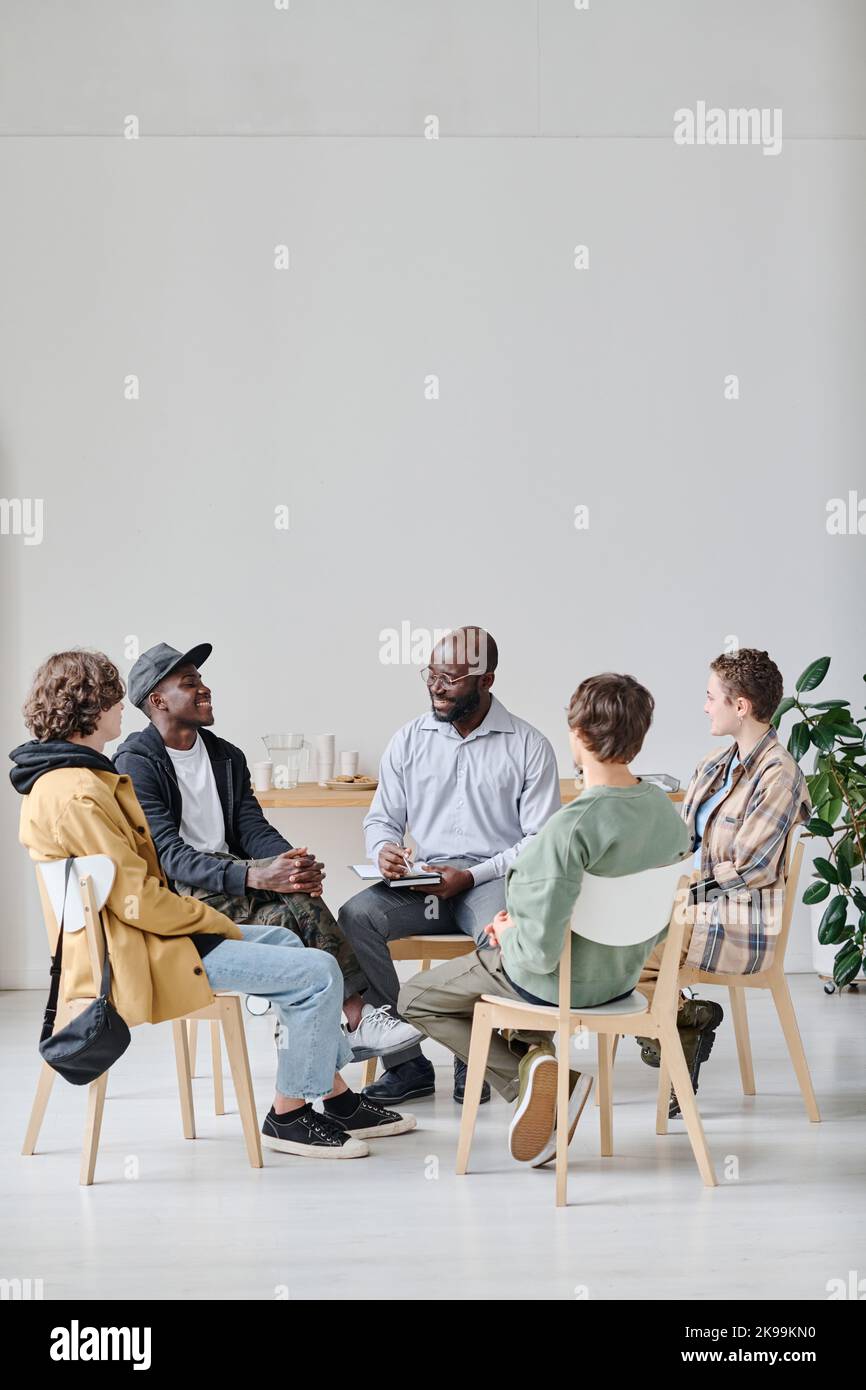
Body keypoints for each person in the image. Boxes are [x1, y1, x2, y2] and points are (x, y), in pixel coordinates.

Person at [11, 650, 416, 1159]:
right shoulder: (82, 792)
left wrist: (280, 869)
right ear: (92, 708)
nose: (119, 708)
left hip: (153, 934)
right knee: (315, 972)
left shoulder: (76, 779)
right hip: (142, 949)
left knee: (290, 940)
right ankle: (288, 1116)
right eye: (112, 699)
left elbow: (171, 869)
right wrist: (210, 919)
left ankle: (334, 1096)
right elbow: (138, 899)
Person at [399, 672, 691, 1165]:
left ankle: (540, 1079)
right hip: (620, 981)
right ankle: (540, 1065)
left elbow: (536, 954)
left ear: (577, 734)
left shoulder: (568, 827)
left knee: (416, 998)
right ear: (640, 736)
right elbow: (655, 918)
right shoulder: (665, 814)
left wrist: (507, 931)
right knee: (508, 972)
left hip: (556, 984)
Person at [114, 641, 420, 1064]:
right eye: (189, 683)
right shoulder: (136, 762)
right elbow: (169, 856)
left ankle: (317, 1042)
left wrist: (290, 863)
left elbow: (252, 828)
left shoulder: (225, 756)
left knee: (291, 914)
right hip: (182, 895)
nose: (204, 688)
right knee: (294, 901)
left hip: (231, 883)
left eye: (202, 679)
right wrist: (257, 875)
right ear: (158, 701)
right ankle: (356, 1016)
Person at [338, 626, 561, 1106]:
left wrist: (472, 876)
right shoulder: (409, 739)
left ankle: (474, 1058)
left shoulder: (528, 744)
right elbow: (382, 818)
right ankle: (406, 1065)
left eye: (451, 678)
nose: (436, 687)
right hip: (426, 881)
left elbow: (540, 841)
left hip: (492, 878)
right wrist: (385, 850)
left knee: (498, 935)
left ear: (486, 680)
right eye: (432, 674)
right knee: (356, 916)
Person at [636, 648, 811, 1115]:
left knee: (620, 953)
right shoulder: (714, 764)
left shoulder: (780, 775)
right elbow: (680, 844)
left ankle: (681, 1028)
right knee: (609, 937)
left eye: (712, 697)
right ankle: (686, 1022)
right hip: (695, 904)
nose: (705, 706)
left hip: (741, 919)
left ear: (741, 706)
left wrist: (682, 897)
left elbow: (750, 869)